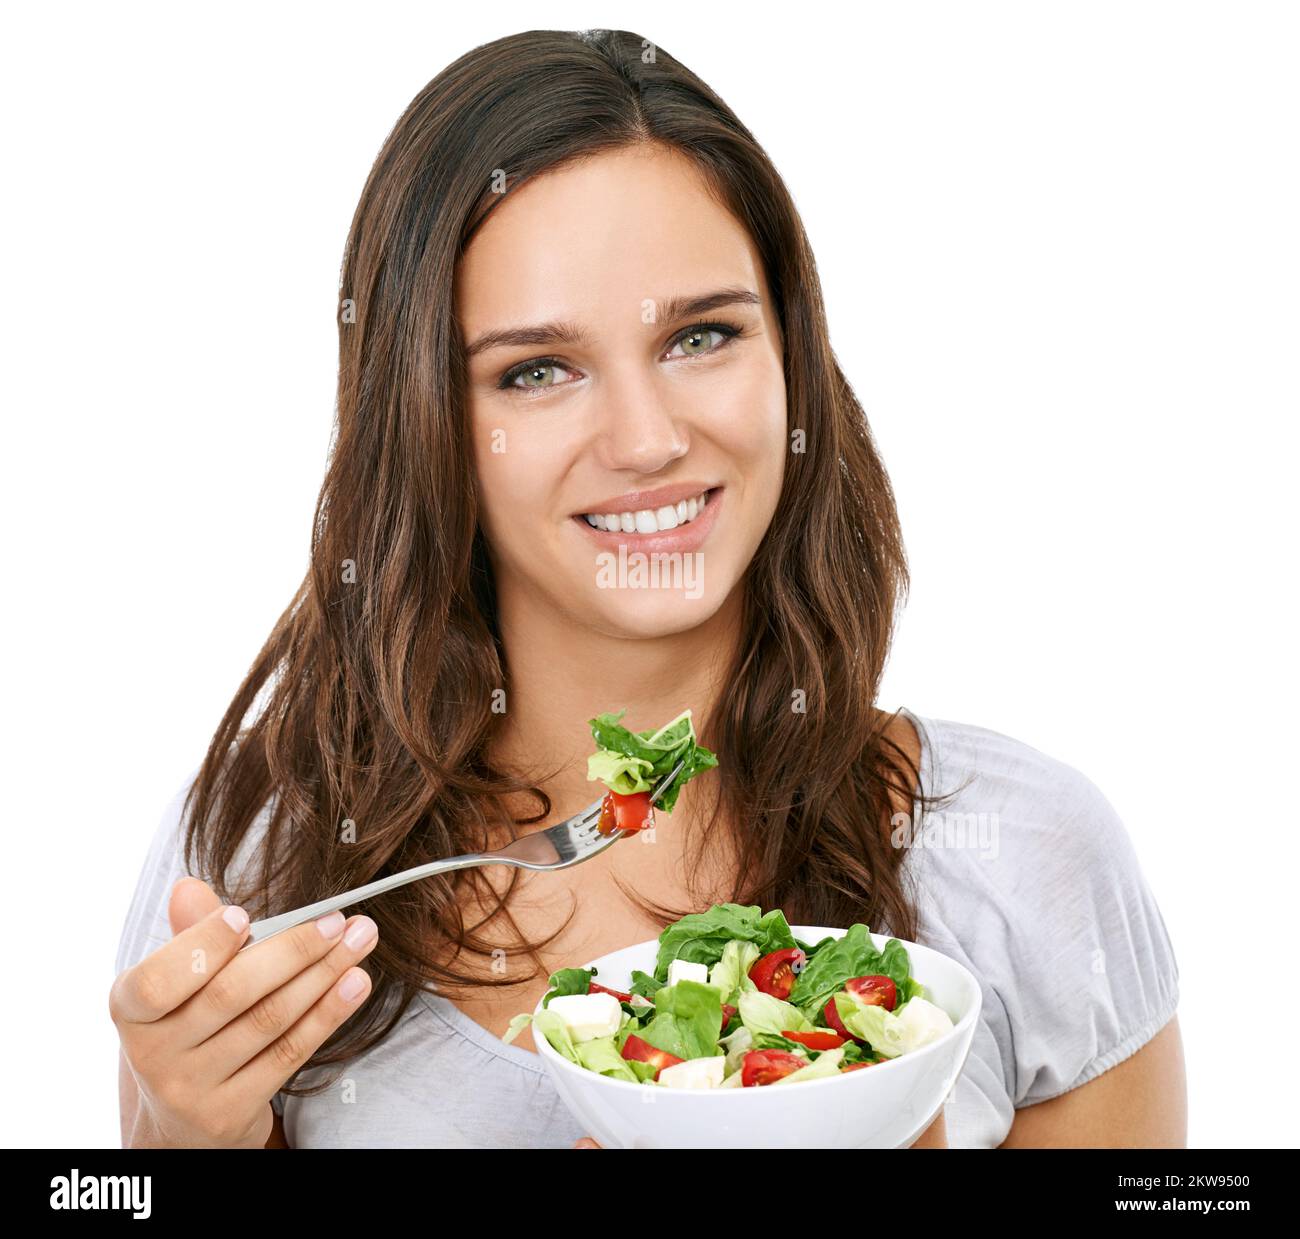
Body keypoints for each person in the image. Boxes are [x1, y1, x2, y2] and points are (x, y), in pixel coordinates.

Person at [111, 28, 1184, 1149]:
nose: (647, 438)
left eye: (701, 336)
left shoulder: (1025, 857)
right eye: (536, 370)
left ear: (792, 361)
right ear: (425, 425)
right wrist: (178, 1143)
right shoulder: (260, 862)